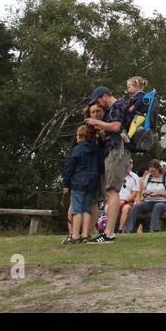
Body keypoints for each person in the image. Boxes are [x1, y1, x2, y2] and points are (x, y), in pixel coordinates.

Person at [83, 84, 131, 242]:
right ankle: (106, 232)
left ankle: (109, 233)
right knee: (110, 191)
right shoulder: (111, 110)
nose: (98, 104)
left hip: (117, 151)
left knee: (112, 191)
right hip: (112, 150)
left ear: (104, 96)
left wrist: (96, 123)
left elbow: (116, 127)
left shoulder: (117, 105)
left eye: (98, 100)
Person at [62, 126, 101, 244]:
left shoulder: (77, 149)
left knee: (76, 210)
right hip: (92, 183)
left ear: (82, 136)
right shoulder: (97, 150)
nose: (76, 137)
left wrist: (66, 183)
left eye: (78, 135)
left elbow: (70, 166)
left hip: (78, 182)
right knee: (86, 210)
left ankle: (74, 235)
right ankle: (85, 235)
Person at [128, 159, 166, 233]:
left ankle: (153, 229)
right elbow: (143, 190)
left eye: (154, 171)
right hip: (149, 201)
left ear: (158, 169)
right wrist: (145, 193)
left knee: (157, 207)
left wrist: (159, 194)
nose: (152, 173)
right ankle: (129, 229)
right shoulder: (148, 177)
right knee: (135, 207)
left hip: (162, 202)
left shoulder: (165, 178)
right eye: (150, 171)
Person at [116, 159, 140, 233]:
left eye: (131, 163)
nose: (129, 165)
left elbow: (134, 193)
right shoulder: (116, 175)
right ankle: (107, 229)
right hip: (116, 200)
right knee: (107, 208)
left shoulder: (135, 177)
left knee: (126, 208)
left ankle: (120, 229)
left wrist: (124, 201)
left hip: (128, 202)